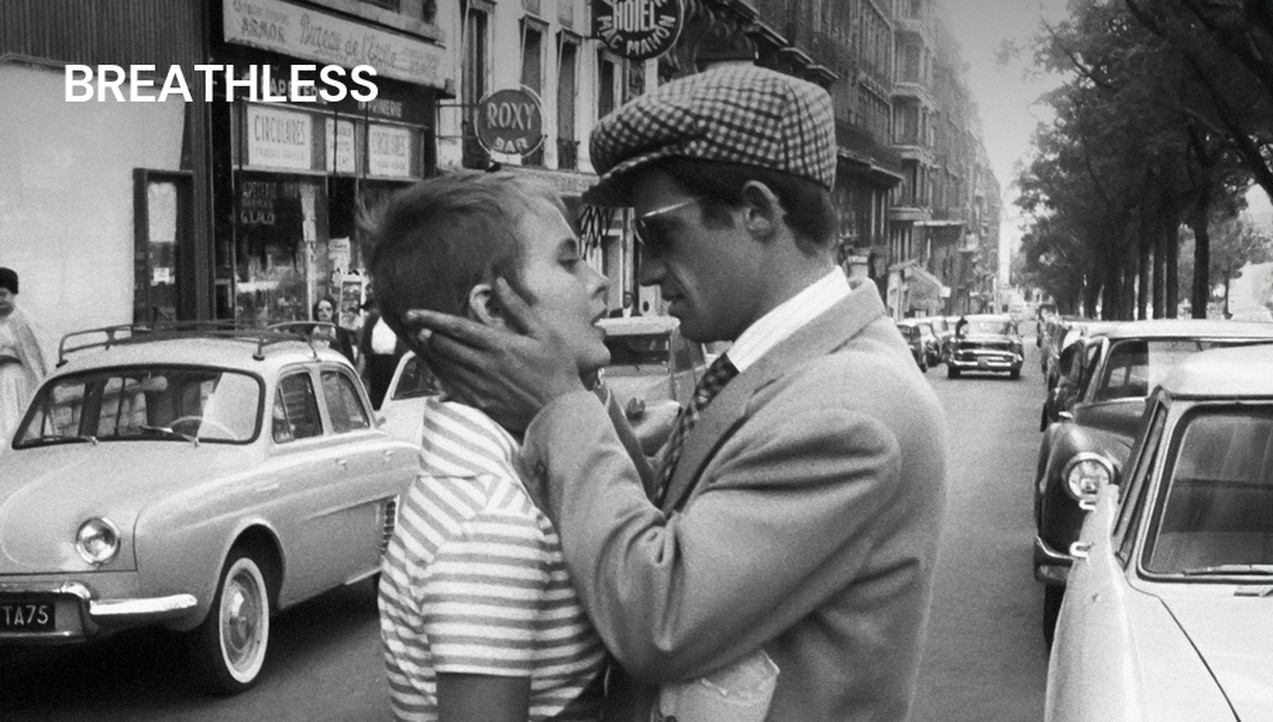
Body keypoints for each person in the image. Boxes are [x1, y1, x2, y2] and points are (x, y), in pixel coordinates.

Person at [403, 65, 948, 721]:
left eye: (658, 234)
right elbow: (673, 520)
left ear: (757, 212)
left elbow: (657, 614)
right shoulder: (795, 371)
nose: (646, 272)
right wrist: (592, 404)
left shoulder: (848, 411)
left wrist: (560, 404)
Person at [366, 170, 654, 722]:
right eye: (569, 261)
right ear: (493, 310)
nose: (599, 281)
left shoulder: (501, 478)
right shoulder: (492, 522)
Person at [0, 267, 47, 448]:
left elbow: (36, 358)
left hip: (21, 382)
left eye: (3, 294)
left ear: (13, 293)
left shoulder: (25, 321)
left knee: (18, 425)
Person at [357, 289, 408, 410]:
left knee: (393, 401)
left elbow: (404, 349)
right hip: (375, 365)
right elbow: (364, 350)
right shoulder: (372, 322)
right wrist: (358, 375)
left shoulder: (399, 322)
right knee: (375, 401)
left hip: (394, 365)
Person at [309, 296, 356, 364]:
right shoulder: (309, 330)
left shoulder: (341, 333)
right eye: (320, 310)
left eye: (328, 309)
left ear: (333, 311)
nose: (324, 312)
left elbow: (349, 359)